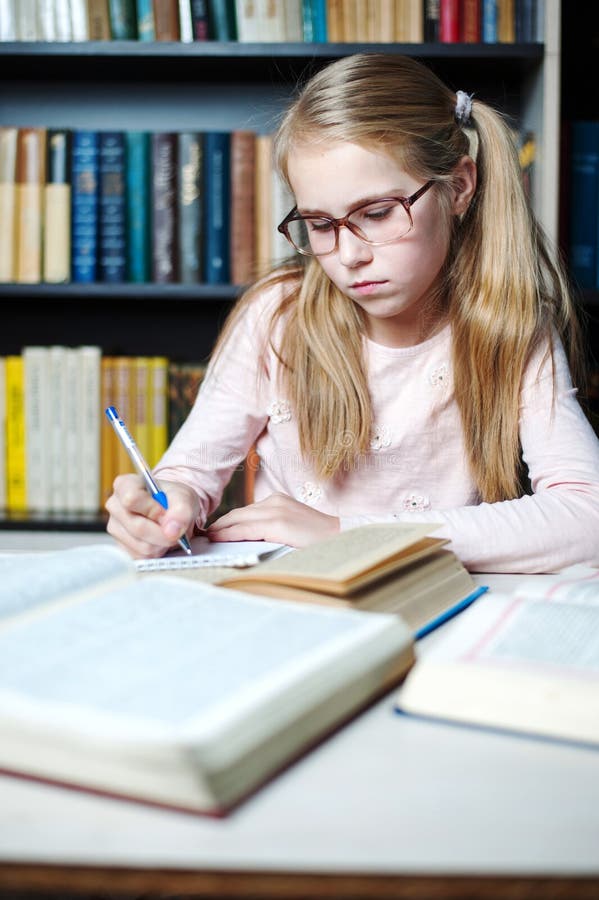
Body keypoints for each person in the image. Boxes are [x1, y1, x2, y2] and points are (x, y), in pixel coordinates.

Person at [106, 53, 599, 573]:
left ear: (459, 187)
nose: (349, 256)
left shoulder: (515, 330)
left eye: (378, 213)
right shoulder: (278, 317)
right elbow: (189, 474)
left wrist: (347, 536)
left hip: (430, 605)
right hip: (290, 606)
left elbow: (588, 517)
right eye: (320, 224)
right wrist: (169, 502)